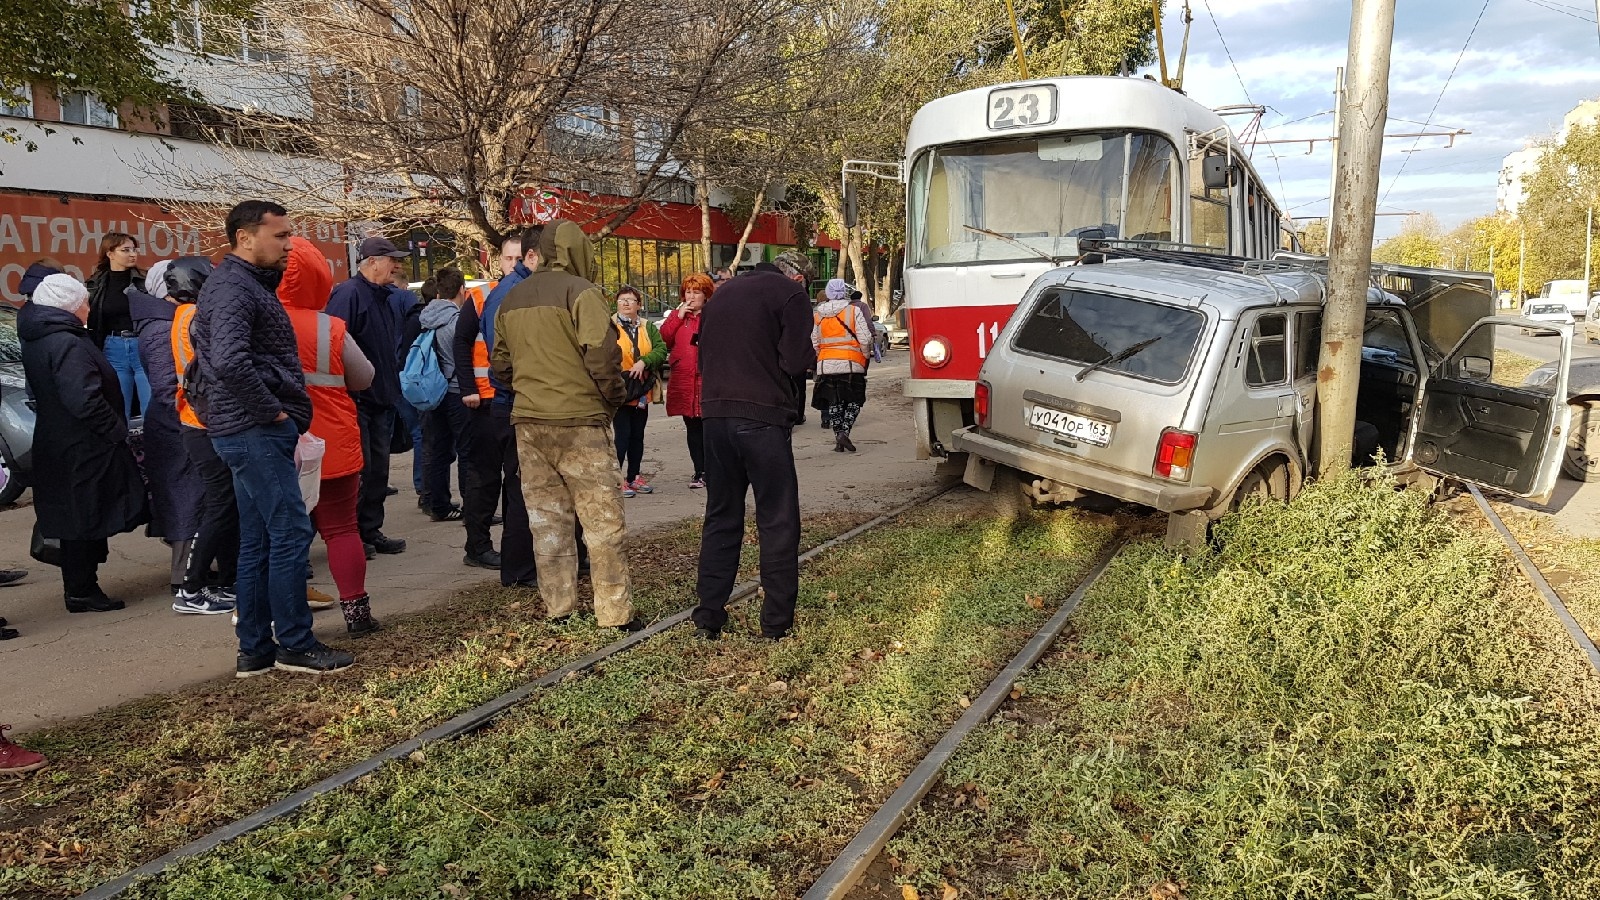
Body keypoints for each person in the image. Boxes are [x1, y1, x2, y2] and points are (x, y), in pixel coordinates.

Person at [192, 200, 352, 676]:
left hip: (251, 427)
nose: (289, 245)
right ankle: (295, 643)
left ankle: (256, 648)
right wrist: (275, 414)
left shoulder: (243, 285)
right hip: (253, 429)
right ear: (245, 237)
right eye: (280, 236)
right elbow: (228, 362)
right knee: (289, 532)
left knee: (260, 538)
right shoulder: (233, 289)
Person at [491, 220, 637, 630]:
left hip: (529, 423)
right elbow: (602, 358)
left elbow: (499, 365)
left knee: (547, 522)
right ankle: (614, 614)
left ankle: (560, 607)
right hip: (580, 423)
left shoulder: (513, 296)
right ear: (578, 252)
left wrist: (529, 388)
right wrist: (612, 399)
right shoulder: (582, 292)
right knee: (602, 523)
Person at [691, 249, 814, 642]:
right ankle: (775, 623)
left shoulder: (722, 294)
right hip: (762, 420)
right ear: (798, 279)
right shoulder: (791, 296)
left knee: (721, 514)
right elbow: (796, 362)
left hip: (714, 418)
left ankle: (709, 615)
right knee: (777, 519)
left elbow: (702, 361)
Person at [20, 274, 150, 612]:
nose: (89, 306)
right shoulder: (67, 341)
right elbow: (84, 399)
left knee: (76, 515)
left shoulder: (42, 336)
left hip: (60, 438)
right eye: (85, 301)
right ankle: (81, 590)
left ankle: (81, 587)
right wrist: (115, 431)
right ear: (72, 305)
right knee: (83, 517)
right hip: (83, 444)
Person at [278, 236, 381, 635]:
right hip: (332, 442)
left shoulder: (253, 319)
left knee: (280, 536)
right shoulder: (328, 326)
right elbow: (364, 377)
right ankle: (357, 613)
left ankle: (280, 618)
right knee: (341, 529)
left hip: (279, 442)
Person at [128, 258, 212, 604]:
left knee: (193, 498)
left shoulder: (163, 323)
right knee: (187, 499)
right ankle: (187, 577)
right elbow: (168, 387)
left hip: (179, 421)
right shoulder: (163, 329)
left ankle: (196, 570)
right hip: (178, 424)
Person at [164, 258, 243, 615]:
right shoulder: (198, 318)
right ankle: (192, 588)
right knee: (221, 505)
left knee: (224, 505)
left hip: (196, 419)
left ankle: (225, 580)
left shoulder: (183, 316)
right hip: (206, 421)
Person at [326, 236, 409, 558]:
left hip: (381, 399)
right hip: (356, 400)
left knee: (378, 471)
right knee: (360, 471)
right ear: (373, 261)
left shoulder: (384, 296)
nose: (398, 266)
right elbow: (335, 344)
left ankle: (371, 529)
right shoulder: (348, 294)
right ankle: (352, 533)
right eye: (393, 260)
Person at [473, 228, 546, 587]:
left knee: (525, 485)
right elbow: (506, 356)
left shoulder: (514, 291)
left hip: (514, 400)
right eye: (511, 258)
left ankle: (525, 566)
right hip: (514, 402)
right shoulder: (513, 294)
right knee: (520, 487)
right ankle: (519, 570)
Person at [451, 236, 518, 571]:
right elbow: (460, 341)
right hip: (484, 401)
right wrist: (468, 387)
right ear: (500, 261)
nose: (514, 265)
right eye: (509, 258)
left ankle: (515, 544)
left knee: (516, 477)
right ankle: (477, 546)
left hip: (515, 400)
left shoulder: (530, 294)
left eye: (520, 258)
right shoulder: (481, 295)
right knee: (484, 477)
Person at [417, 268, 476, 526]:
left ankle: (436, 503)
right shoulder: (458, 320)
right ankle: (471, 506)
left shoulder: (425, 316)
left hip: (432, 390)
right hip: (456, 390)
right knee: (467, 451)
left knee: (436, 450)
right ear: (462, 290)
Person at [85, 233, 151, 418]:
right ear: (110, 253)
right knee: (119, 406)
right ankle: (124, 445)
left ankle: (153, 445)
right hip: (113, 345)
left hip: (142, 343)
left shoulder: (144, 280)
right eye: (125, 250)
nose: (133, 254)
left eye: (134, 249)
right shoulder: (95, 283)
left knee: (151, 405)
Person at [611, 285, 665, 498]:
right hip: (619, 389)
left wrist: (644, 361)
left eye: (630, 300)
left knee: (637, 436)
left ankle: (633, 477)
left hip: (641, 390)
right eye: (622, 300)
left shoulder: (647, 326)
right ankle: (616, 481)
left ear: (639, 305)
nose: (625, 303)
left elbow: (661, 349)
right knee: (621, 436)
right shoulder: (609, 325)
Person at [658, 273, 711, 488]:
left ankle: (713, 471)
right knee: (692, 428)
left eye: (696, 292)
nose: (691, 296)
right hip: (684, 379)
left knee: (710, 428)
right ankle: (699, 471)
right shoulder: (678, 317)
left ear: (706, 295)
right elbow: (663, 338)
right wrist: (677, 316)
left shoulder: (712, 315)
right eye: (688, 292)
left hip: (707, 379)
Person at [811, 278, 872, 453]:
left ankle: (839, 438)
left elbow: (814, 341)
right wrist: (865, 355)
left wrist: (821, 357)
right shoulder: (853, 311)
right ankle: (844, 432)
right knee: (854, 401)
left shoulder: (818, 314)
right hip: (851, 363)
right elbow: (865, 338)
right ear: (843, 292)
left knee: (834, 402)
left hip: (826, 364)